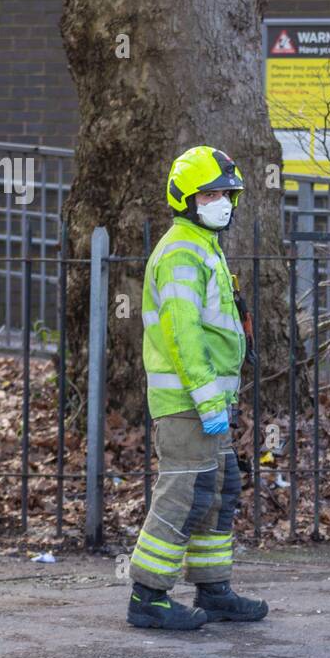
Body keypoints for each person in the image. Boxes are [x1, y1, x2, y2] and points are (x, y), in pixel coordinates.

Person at [126, 145, 268, 629]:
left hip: (208, 400)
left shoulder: (203, 247)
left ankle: (213, 589)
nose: (223, 201)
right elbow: (183, 334)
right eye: (210, 193)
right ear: (186, 198)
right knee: (185, 492)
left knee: (218, 488)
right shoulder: (183, 252)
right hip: (188, 402)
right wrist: (209, 398)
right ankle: (148, 596)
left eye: (227, 193)